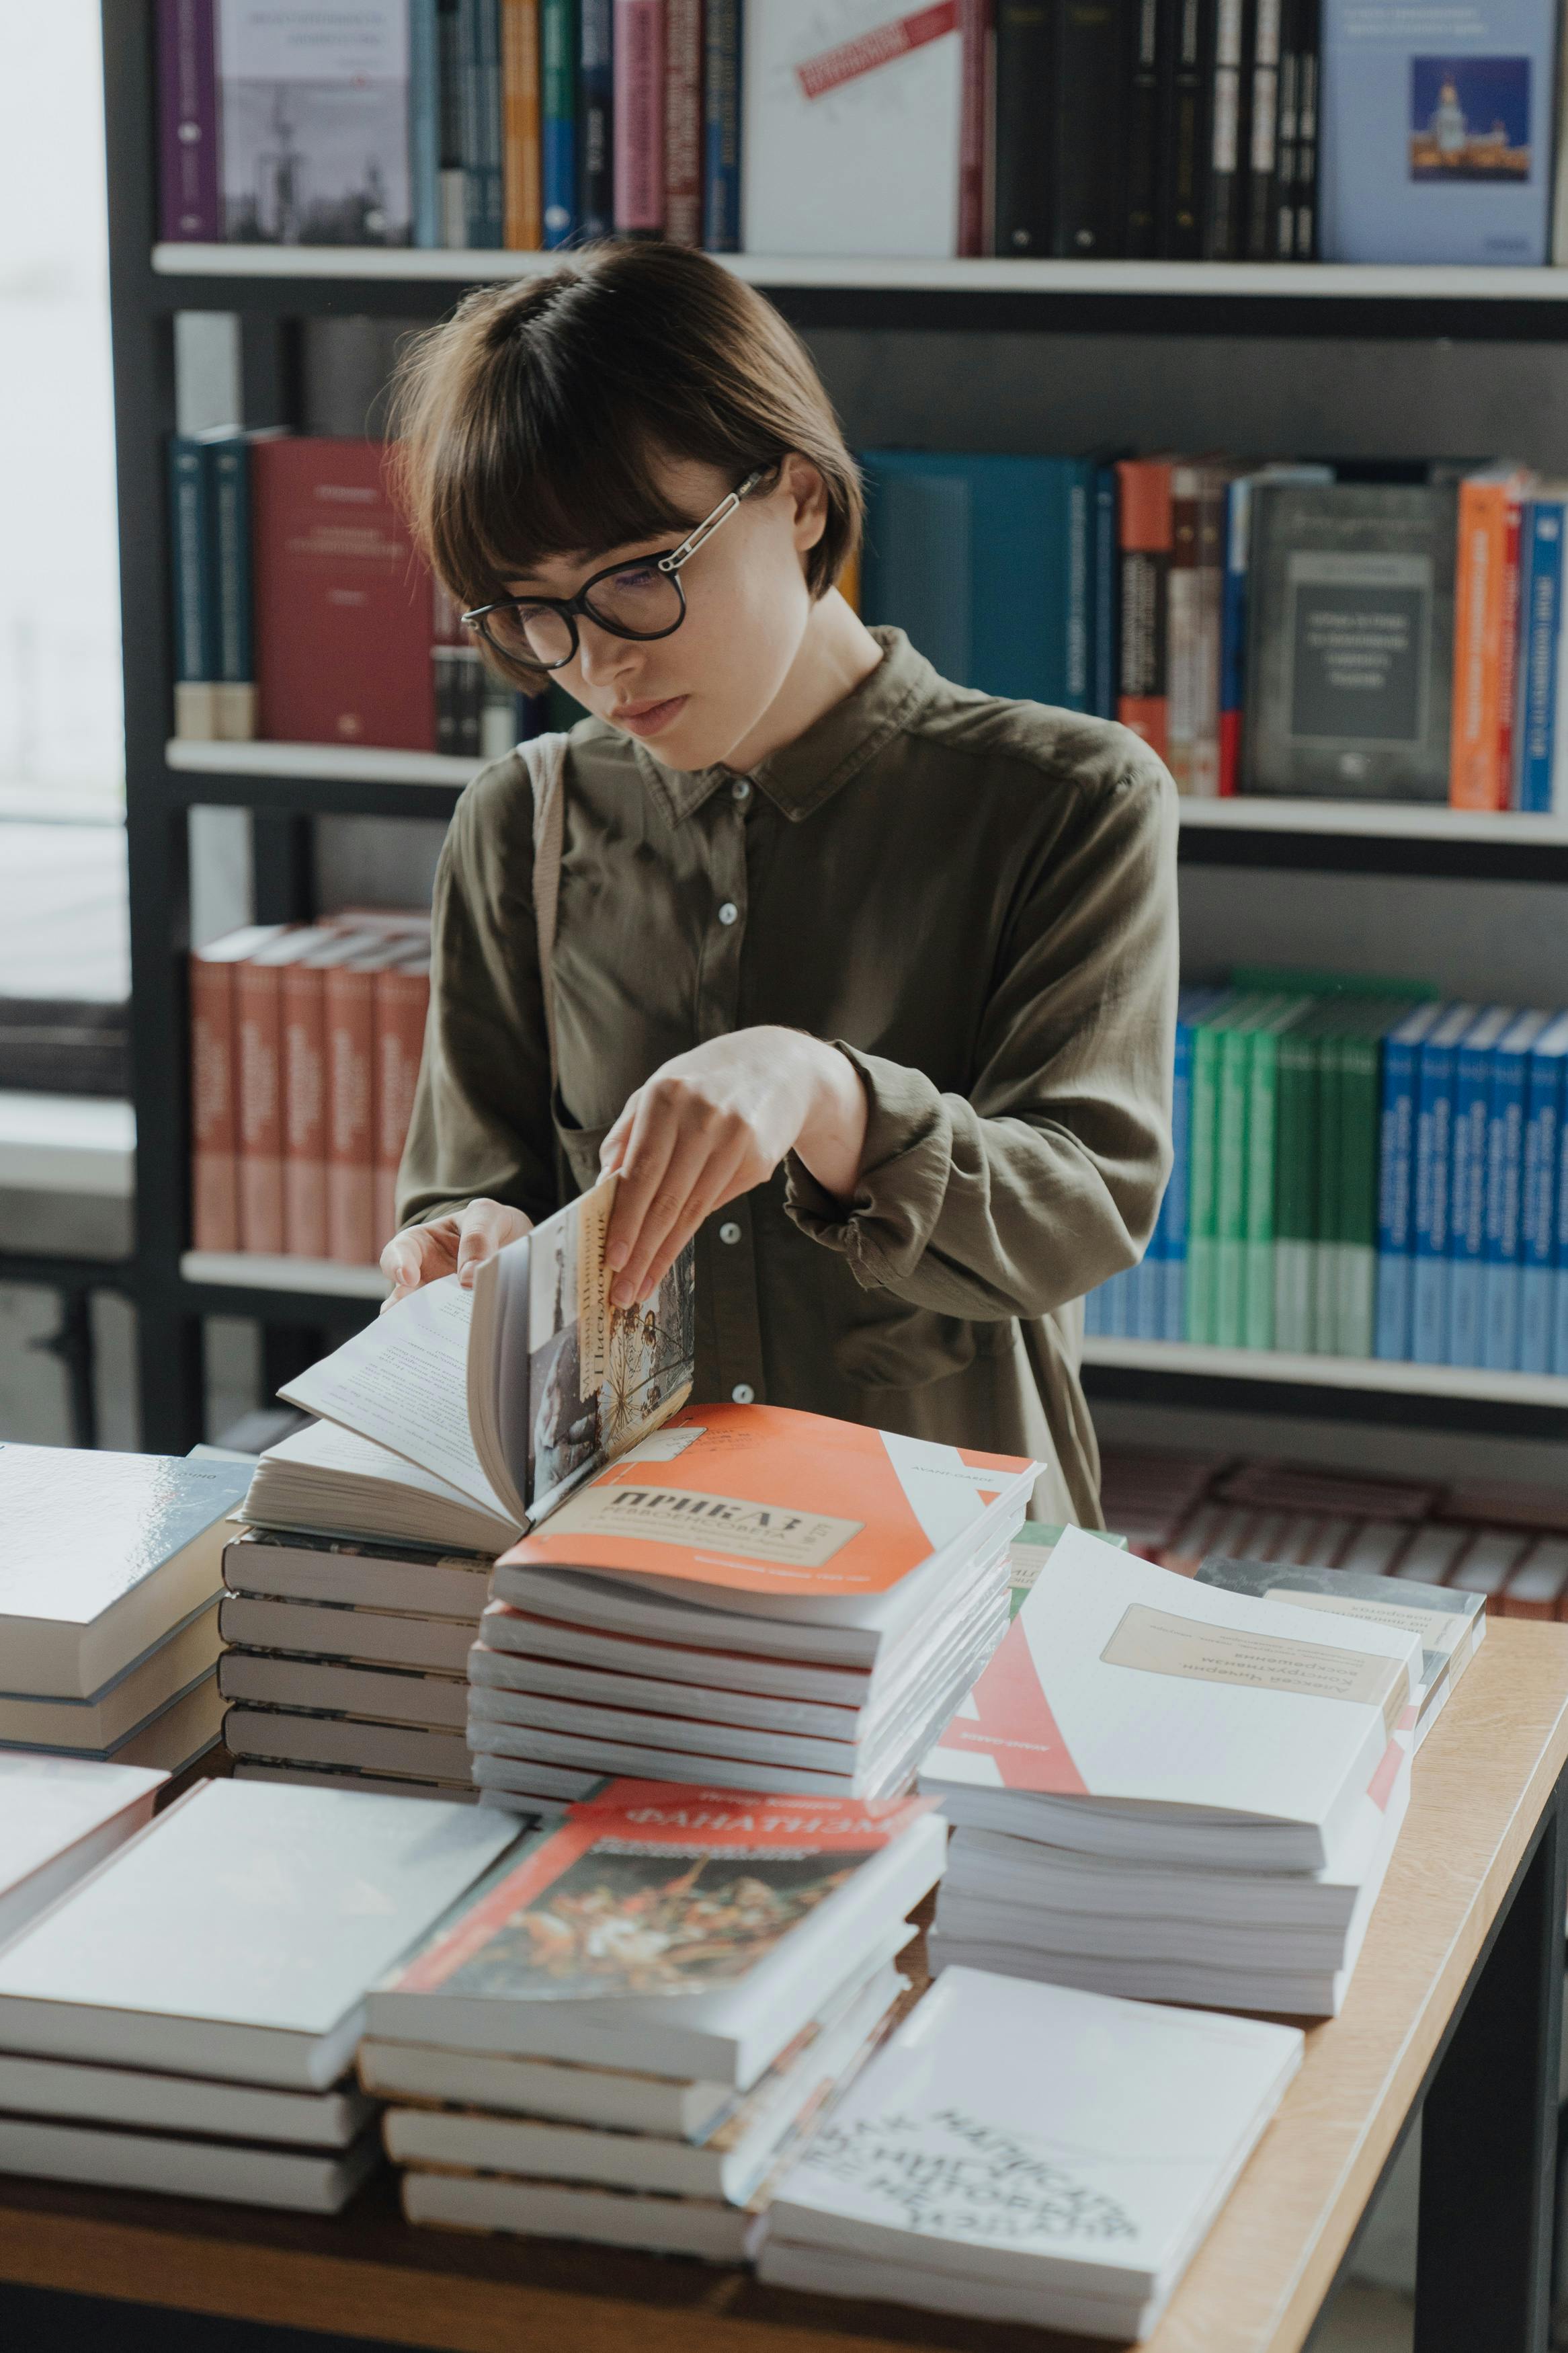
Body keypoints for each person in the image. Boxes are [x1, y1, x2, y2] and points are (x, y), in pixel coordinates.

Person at [380, 242, 1177, 1526]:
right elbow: (475, 1181)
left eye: (640, 571)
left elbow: (1080, 1213)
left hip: (950, 1571)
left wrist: (823, 1091)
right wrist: (463, 1243)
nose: (595, 662)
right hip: (620, 1568)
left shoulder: (1070, 798)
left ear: (798, 498)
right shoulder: (519, 823)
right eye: (532, 611)